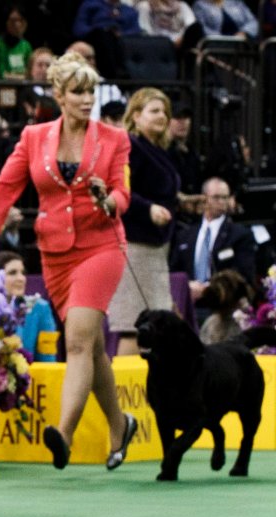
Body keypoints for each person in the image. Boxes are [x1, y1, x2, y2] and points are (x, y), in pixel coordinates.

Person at [0, 52, 136, 472]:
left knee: (78, 339)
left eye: (91, 92)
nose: (87, 100)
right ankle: (120, 427)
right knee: (94, 348)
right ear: (59, 95)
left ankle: (63, 433)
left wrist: (107, 199)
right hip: (55, 254)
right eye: (78, 92)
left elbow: (123, 193)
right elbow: (5, 186)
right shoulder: (34, 137)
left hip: (102, 247)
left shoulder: (115, 139)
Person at [107, 87, 179, 355]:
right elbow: (119, 189)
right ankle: (124, 392)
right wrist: (148, 209)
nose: (162, 116)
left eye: (165, 112)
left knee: (155, 328)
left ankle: (146, 391)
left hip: (157, 249)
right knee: (133, 325)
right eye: (154, 110)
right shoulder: (129, 146)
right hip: (134, 247)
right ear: (135, 115)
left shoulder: (158, 150)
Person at [170, 177, 257, 312]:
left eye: (225, 197)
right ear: (204, 199)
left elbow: (243, 274)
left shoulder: (240, 235)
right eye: (216, 197)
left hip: (223, 306)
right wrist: (186, 286)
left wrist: (208, 289)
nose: (222, 202)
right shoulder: (185, 235)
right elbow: (174, 271)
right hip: (188, 305)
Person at [0, 250, 59, 361]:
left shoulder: (40, 308)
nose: (21, 278)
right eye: (12, 273)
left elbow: (48, 361)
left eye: (23, 273)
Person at [0, 5, 32, 79]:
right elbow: (1, 75)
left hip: (23, 87)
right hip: (1, 88)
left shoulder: (26, 45)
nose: (17, 24)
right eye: (13, 20)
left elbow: (30, 72)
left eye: (21, 20)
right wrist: (23, 78)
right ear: (5, 22)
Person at [193, 0, 260, 39]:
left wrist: (244, 32)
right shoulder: (199, 5)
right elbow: (202, 28)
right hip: (215, 47)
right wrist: (224, 40)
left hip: (241, 44)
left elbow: (253, 21)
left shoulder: (235, 2)